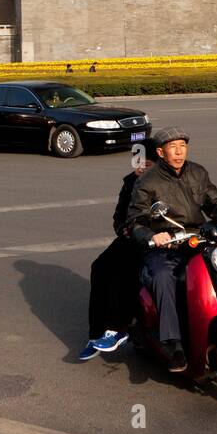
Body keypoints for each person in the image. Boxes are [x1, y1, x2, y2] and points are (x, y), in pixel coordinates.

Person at [128, 127, 217, 372]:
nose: (179, 152)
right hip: (166, 247)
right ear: (160, 152)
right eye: (172, 147)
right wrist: (153, 235)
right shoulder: (147, 181)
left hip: (198, 240)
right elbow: (135, 221)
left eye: (183, 146)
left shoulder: (197, 172)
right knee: (165, 277)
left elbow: (216, 204)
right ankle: (172, 342)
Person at [78, 143, 157, 362]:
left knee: (126, 271)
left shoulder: (166, 182)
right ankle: (95, 335)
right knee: (100, 267)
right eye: (137, 161)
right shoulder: (130, 182)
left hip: (159, 240)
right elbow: (119, 216)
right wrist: (124, 229)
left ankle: (117, 327)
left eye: (147, 162)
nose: (141, 166)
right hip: (132, 237)